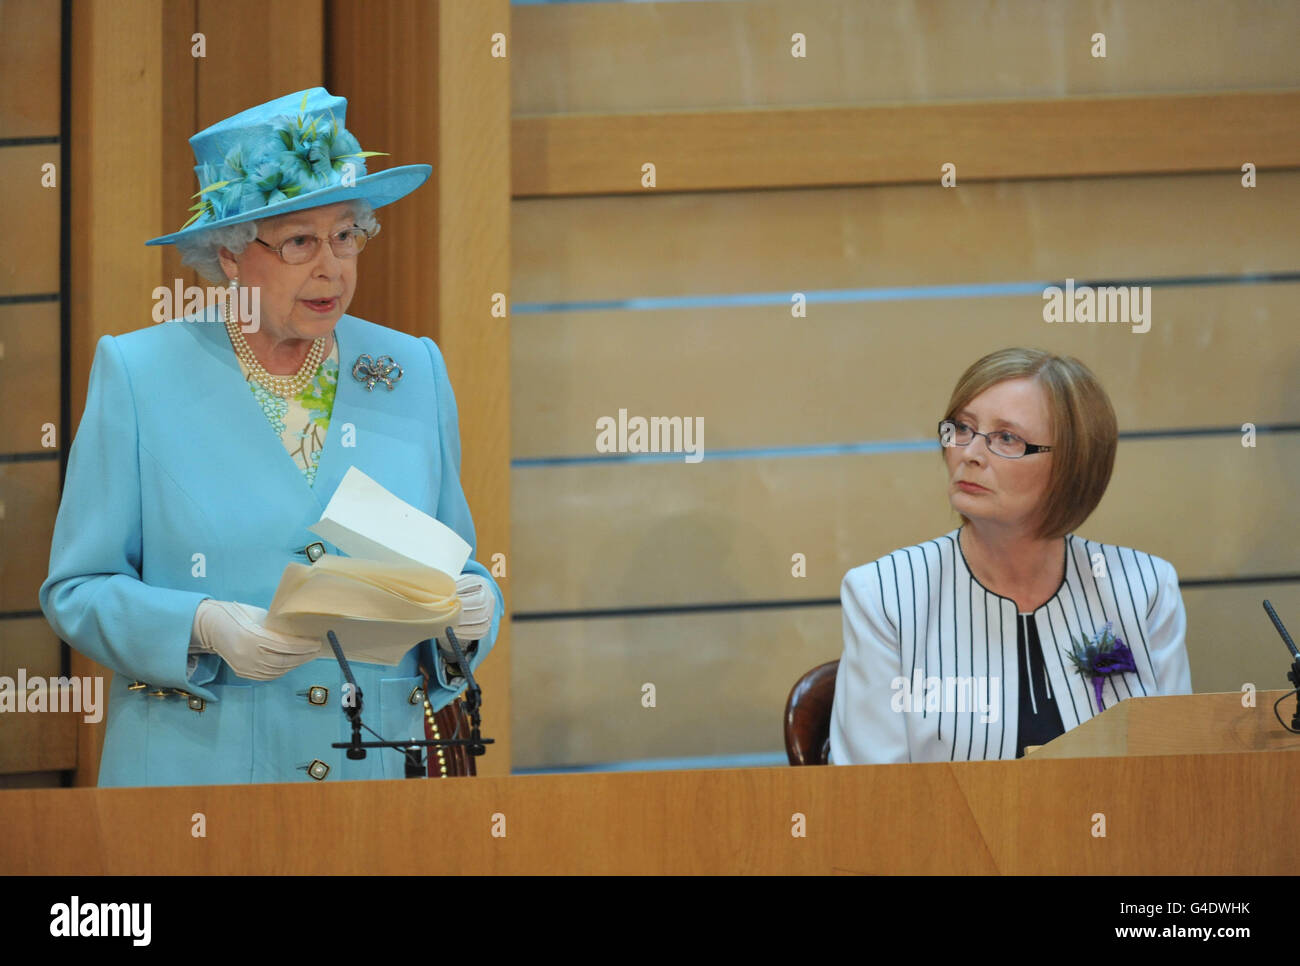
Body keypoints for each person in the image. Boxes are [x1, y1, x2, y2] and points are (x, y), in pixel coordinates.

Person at [39, 88, 503, 787]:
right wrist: (199, 624)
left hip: (369, 784)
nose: (331, 267)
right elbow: (77, 589)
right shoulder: (141, 374)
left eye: (347, 234)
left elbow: (452, 571)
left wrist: (472, 611)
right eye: (299, 241)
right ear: (229, 255)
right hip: (199, 782)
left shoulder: (412, 370)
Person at [829, 347, 1192, 764]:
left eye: (1007, 438)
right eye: (962, 428)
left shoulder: (1145, 588)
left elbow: (1174, 771)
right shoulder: (884, 595)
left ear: (1073, 464)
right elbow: (873, 793)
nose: (970, 453)